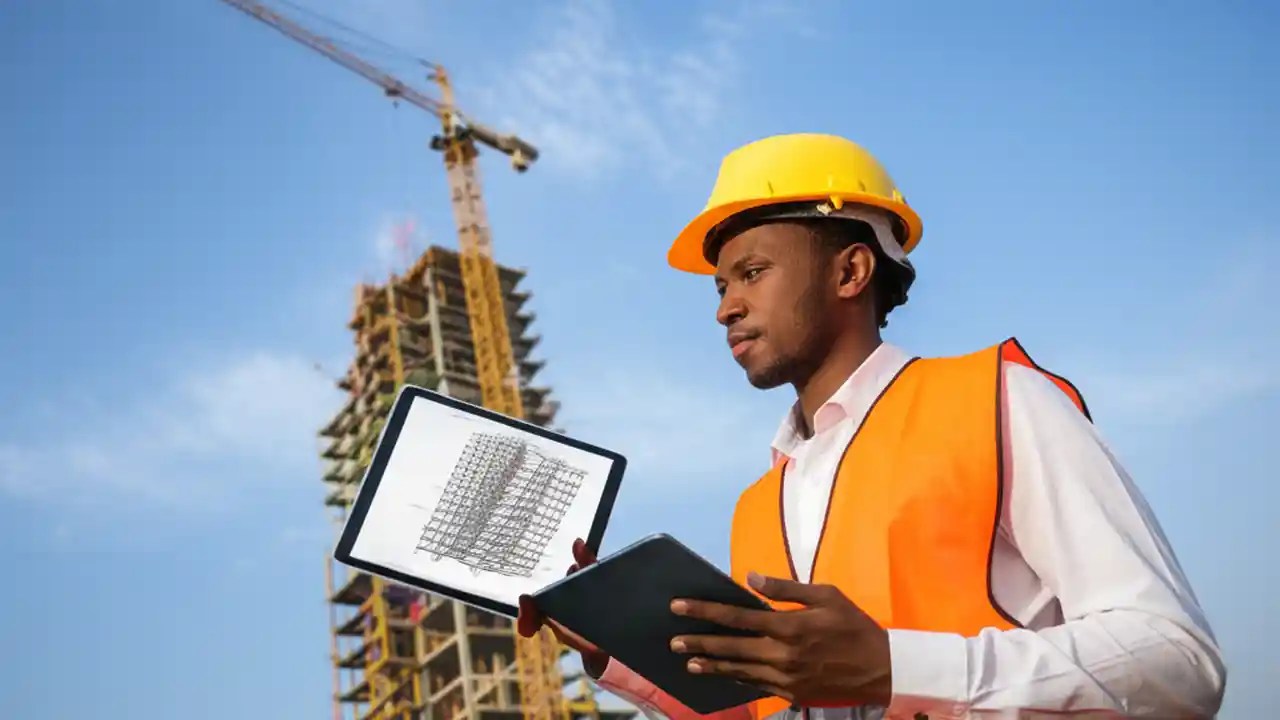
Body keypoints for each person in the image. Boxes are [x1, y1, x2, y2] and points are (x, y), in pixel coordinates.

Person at [517, 133, 1226, 719]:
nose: (725, 308)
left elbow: (1176, 662)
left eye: (752, 271)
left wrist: (894, 666)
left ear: (852, 269)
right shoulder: (757, 507)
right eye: (721, 285)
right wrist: (622, 646)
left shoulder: (1001, 401)